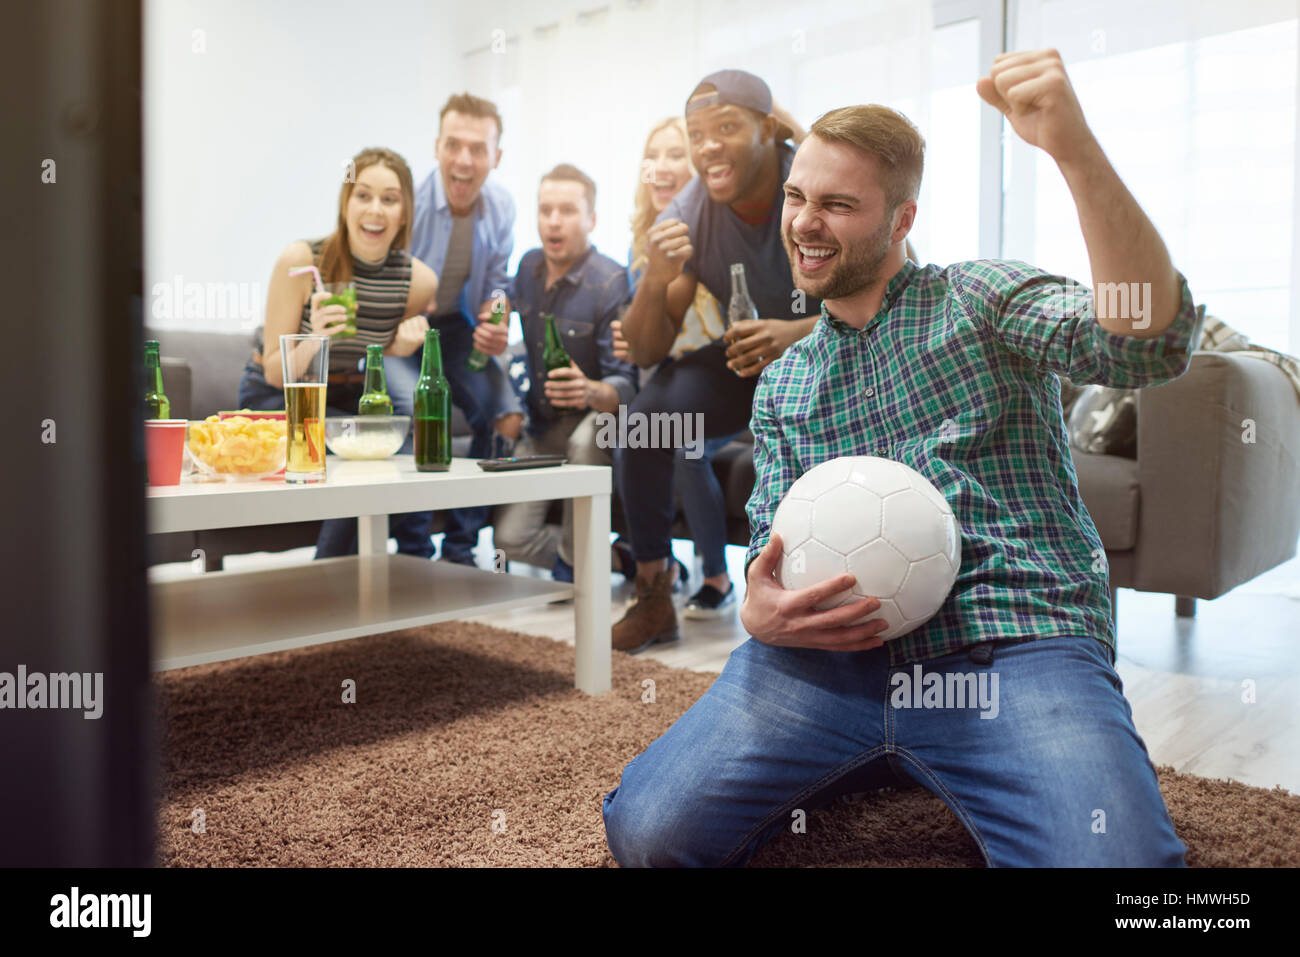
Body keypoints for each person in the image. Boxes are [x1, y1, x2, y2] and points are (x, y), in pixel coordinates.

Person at [602, 50, 1198, 867]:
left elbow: (1146, 344)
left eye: (838, 205)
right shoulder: (784, 383)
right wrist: (758, 606)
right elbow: (774, 531)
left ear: (902, 219)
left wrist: (1073, 150)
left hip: (1004, 648)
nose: (805, 223)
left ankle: (947, 754)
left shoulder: (980, 300)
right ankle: (888, 756)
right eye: (797, 197)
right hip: (825, 660)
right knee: (648, 834)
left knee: (1115, 866)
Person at [612, 70, 822, 652]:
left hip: (837, 357)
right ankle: (653, 593)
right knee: (647, 423)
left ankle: (814, 610)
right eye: (697, 133)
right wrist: (655, 277)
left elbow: (896, 293)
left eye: (726, 128)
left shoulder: (813, 176)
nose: (707, 147)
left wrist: (799, 332)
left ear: (768, 130)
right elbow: (649, 349)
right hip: (750, 361)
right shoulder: (690, 208)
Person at [237, 147, 438, 557]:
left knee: (386, 454)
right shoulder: (301, 262)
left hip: (344, 400)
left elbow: (382, 352)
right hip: (279, 397)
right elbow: (276, 373)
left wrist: (398, 346)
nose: (375, 210)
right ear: (345, 205)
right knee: (362, 464)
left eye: (390, 198)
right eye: (363, 195)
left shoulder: (417, 281)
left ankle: (393, 574)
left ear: (405, 213)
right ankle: (326, 583)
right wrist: (315, 336)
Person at [385, 92, 526, 565]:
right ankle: (412, 552)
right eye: (454, 145)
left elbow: (500, 287)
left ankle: (462, 550)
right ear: (437, 148)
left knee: (507, 418)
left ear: (496, 157)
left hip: (456, 328)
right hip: (399, 329)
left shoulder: (503, 208)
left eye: (478, 149)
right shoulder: (407, 204)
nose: (464, 161)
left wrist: (498, 320)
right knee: (422, 407)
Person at [492, 165, 638, 582]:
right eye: (545, 210)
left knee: (590, 434)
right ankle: (615, 560)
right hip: (541, 425)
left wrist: (590, 390)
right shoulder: (529, 265)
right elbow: (501, 293)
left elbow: (627, 385)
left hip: (596, 426)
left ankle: (576, 567)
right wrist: (497, 315)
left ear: (591, 219)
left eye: (568, 210)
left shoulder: (611, 281)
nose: (554, 221)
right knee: (509, 541)